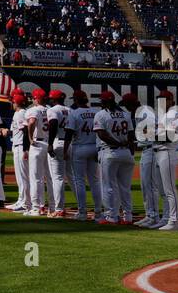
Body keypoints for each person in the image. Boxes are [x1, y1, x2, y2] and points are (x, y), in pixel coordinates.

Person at [94, 90, 135, 225]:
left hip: (110, 152)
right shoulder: (125, 114)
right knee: (125, 187)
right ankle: (128, 216)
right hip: (126, 153)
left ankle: (111, 215)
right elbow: (130, 134)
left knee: (108, 186)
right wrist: (128, 147)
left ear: (105, 102)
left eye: (102, 100)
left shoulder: (100, 115)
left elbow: (102, 135)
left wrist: (117, 143)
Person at [66, 90, 102, 222]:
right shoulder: (96, 112)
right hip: (94, 146)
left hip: (79, 147)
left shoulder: (74, 113)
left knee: (79, 181)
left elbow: (69, 134)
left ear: (76, 100)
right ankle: (98, 212)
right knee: (95, 181)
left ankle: (82, 213)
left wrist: (65, 151)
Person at [155, 91, 178, 230]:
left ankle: (174, 222)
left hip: (167, 152)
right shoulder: (164, 115)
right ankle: (166, 218)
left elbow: (170, 136)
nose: (160, 102)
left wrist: (149, 134)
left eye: (163, 99)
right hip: (159, 152)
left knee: (170, 189)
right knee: (162, 190)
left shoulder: (174, 114)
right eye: (159, 99)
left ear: (170, 100)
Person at [132, 93, 160, 227]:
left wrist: (144, 131)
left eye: (127, 105)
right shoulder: (140, 112)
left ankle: (154, 216)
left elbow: (153, 129)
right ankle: (149, 214)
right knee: (145, 185)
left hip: (151, 149)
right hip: (145, 150)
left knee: (150, 185)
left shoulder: (145, 111)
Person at [24, 88, 52, 217]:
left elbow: (31, 122)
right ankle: (52, 207)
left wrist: (30, 139)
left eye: (34, 98)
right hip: (50, 143)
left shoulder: (33, 110)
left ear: (37, 99)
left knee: (36, 178)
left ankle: (37, 208)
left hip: (37, 144)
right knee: (51, 178)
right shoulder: (51, 109)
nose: (33, 99)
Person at [45, 90, 71, 218]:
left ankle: (59, 209)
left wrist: (49, 144)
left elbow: (53, 124)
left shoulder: (53, 110)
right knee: (74, 178)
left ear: (53, 99)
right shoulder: (70, 110)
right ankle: (82, 209)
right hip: (71, 144)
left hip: (58, 142)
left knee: (58, 178)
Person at [6, 89, 31, 213]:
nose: (12, 103)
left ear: (17, 102)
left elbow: (25, 131)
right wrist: (7, 132)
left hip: (21, 146)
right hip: (17, 145)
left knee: (23, 176)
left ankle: (25, 202)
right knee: (20, 177)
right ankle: (21, 199)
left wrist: (26, 149)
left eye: (13, 101)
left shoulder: (21, 113)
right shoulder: (18, 113)